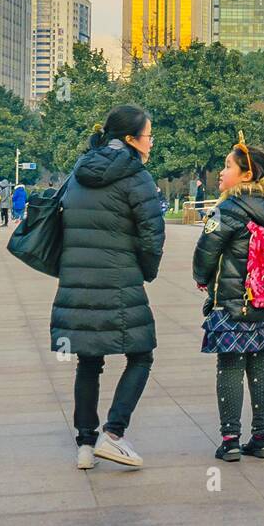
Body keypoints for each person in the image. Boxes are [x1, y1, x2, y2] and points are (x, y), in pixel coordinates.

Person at [51, 105, 165, 470]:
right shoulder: (137, 177)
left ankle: (85, 443)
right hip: (119, 278)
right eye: (148, 135)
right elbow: (152, 235)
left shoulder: (80, 170)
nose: (151, 142)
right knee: (142, 353)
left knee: (88, 358)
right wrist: (145, 271)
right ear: (131, 139)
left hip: (78, 280)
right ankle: (113, 434)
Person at [193, 133, 264, 462]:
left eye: (227, 167)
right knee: (262, 365)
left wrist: (201, 278)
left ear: (247, 175)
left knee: (230, 366)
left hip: (234, 303)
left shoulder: (226, 209)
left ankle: (231, 439)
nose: (221, 173)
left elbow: (206, 252)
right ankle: (263, 438)